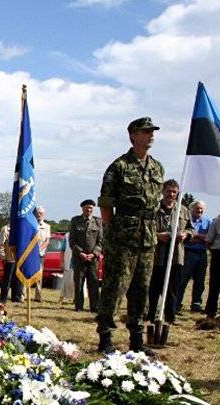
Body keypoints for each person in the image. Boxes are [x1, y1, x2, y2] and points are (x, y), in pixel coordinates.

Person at [96, 117, 164, 354]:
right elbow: (106, 205)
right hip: (123, 240)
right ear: (133, 136)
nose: (151, 135)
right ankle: (105, 337)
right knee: (115, 288)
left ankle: (137, 340)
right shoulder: (119, 167)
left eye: (152, 131)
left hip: (147, 239)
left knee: (141, 289)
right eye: (146, 131)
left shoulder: (157, 168)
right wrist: (115, 231)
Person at [147, 180, 192, 325]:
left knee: (173, 288)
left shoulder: (183, 210)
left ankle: (170, 317)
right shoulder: (153, 208)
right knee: (154, 288)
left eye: (174, 192)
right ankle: (150, 315)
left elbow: (191, 228)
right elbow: (145, 230)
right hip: (157, 255)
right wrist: (158, 236)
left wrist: (186, 234)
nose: (171, 194)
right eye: (168, 191)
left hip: (176, 255)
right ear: (162, 191)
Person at [176, 200, 210, 313]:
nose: (199, 211)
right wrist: (198, 238)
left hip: (202, 254)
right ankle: (177, 303)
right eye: (197, 208)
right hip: (188, 253)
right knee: (183, 279)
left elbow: (209, 238)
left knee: (200, 280)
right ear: (192, 209)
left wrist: (196, 236)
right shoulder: (187, 221)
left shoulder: (207, 222)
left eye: (201, 209)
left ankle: (196, 303)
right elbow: (186, 237)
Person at [69, 199, 103, 312]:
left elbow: (101, 241)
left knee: (93, 283)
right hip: (79, 258)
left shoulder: (98, 222)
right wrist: (80, 253)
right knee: (78, 282)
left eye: (91, 208)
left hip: (93, 260)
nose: (89, 210)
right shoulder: (75, 221)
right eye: (87, 208)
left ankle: (95, 307)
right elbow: (72, 241)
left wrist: (94, 254)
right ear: (82, 208)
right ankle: (79, 306)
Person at [0, 224, 23, 303]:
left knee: (18, 279)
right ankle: (3, 298)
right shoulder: (5, 229)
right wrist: (3, 257)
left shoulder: (21, 228)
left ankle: (16, 298)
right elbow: (1, 244)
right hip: (9, 258)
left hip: (19, 258)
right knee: (7, 279)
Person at [34, 206, 51, 302]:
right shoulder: (31, 225)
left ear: (43, 214)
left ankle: (38, 296)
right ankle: (22, 295)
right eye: (37, 213)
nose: (38, 215)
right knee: (27, 274)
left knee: (39, 276)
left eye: (40, 213)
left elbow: (47, 241)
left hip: (40, 254)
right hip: (30, 254)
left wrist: (39, 249)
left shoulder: (47, 226)